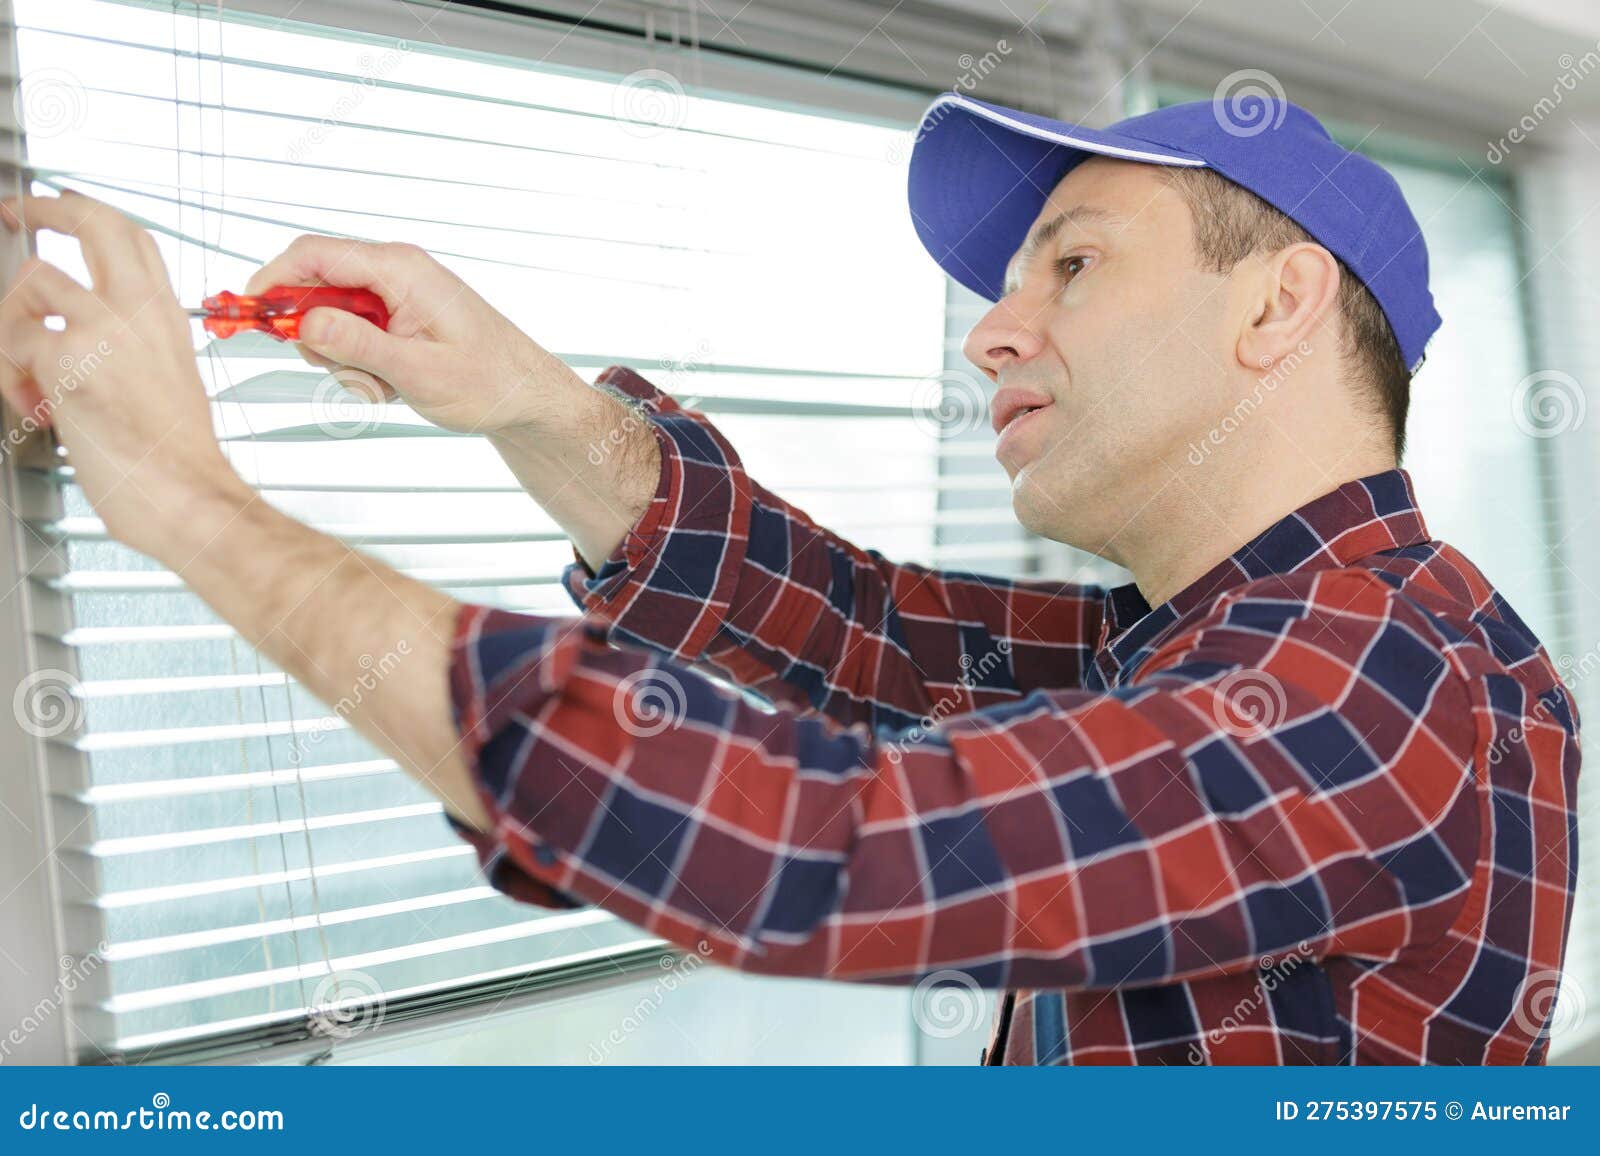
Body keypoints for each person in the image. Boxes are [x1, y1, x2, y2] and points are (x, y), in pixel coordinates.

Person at [0, 94, 1579, 1066]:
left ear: (1280, 307)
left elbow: (812, 837)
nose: (992, 329)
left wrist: (187, 504)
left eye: (1072, 263)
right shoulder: (1220, 648)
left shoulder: (1383, 680)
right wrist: (528, 397)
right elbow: (861, 638)